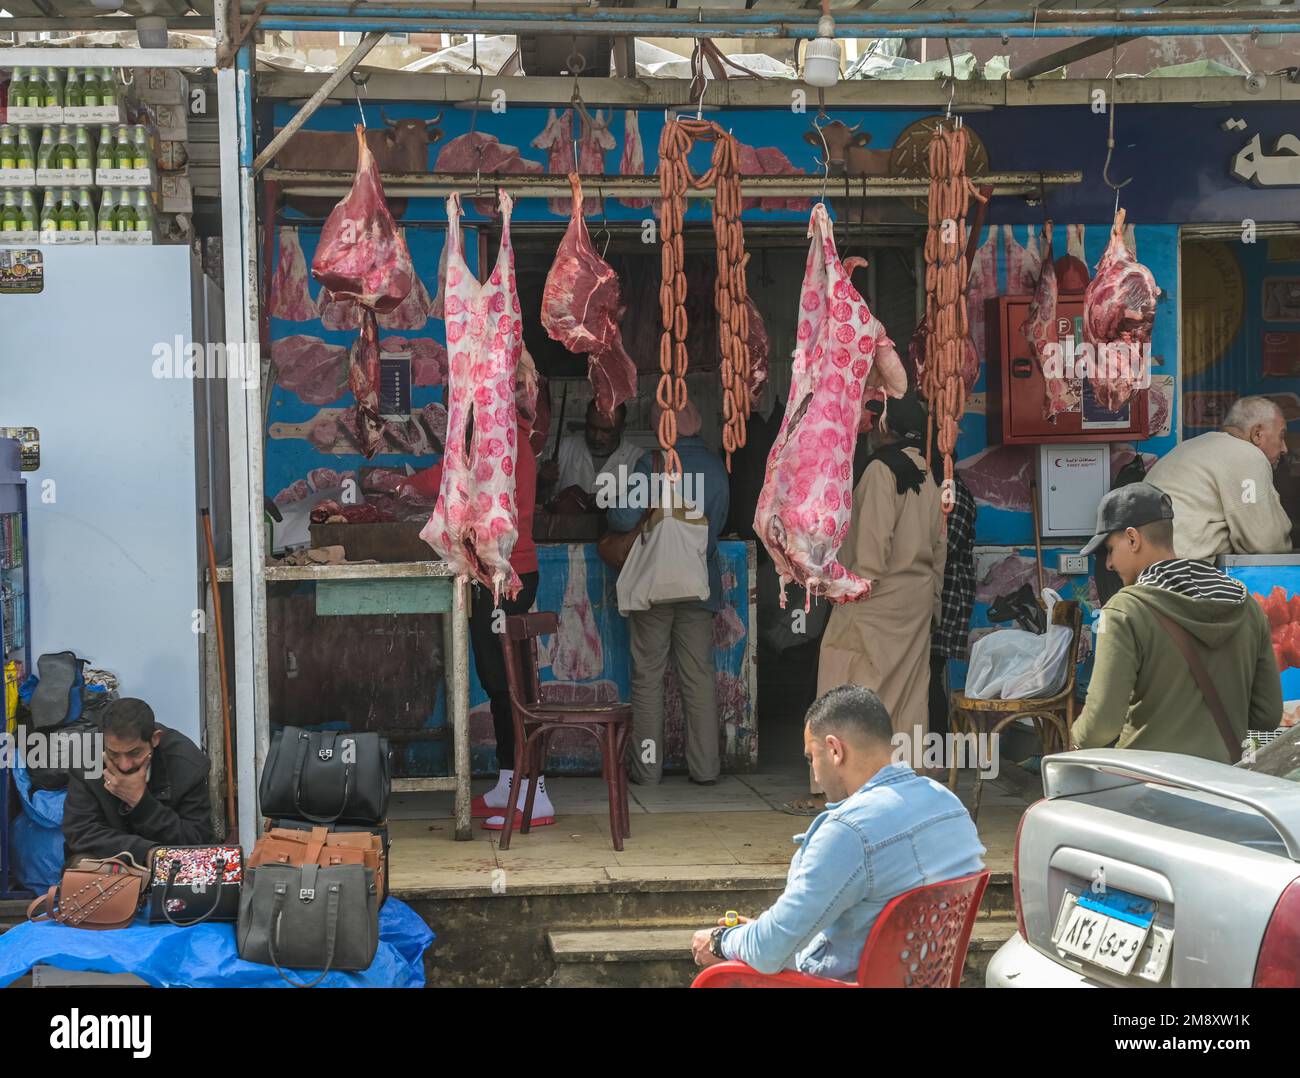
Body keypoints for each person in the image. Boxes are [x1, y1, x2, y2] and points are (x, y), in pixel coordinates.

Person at [690, 685, 985, 980]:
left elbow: (768, 952)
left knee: (721, 972)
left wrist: (720, 941)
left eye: (811, 758)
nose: (814, 774)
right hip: (920, 978)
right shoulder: (949, 806)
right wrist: (764, 933)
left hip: (845, 981)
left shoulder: (849, 831)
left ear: (834, 750)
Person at [403, 355, 549, 827]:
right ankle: (511, 783)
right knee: (497, 682)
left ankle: (536, 792)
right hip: (493, 576)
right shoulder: (505, 440)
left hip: (507, 578)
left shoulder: (503, 444)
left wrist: (403, 485)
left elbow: (454, 481)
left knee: (512, 686)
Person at [796, 393, 944, 811]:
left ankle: (842, 787)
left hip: (875, 597)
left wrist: (845, 582)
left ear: (884, 427)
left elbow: (872, 552)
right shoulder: (926, 470)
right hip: (914, 600)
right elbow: (939, 546)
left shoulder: (882, 470)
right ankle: (906, 781)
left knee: (847, 684)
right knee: (908, 692)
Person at [1072, 482, 1281, 761]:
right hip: (1227, 783)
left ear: (1133, 539)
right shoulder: (1247, 606)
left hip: (1148, 786)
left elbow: (1101, 726)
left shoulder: (1125, 610)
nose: (1108, 564)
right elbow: (1267, 715)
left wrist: (1074, 738)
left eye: (1110, 549)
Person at [606, 400, 729, 785]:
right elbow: (720, 525)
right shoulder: (716, 467)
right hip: (698, 584)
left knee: (648, 676)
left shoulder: (652, 465)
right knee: (699, 676)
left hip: (654, 587)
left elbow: (621, 517)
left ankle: (648, 768)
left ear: (662, 429)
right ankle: (707, 769)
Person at [63, 698, 213, 865]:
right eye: (113, 754)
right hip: (111, 861)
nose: (124, 765)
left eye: (134, 753)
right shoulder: (86, 761)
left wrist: (142, 803)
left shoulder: (187, 764)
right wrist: (144, 852)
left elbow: (199, 841)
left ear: (155, 739)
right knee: (82, 863)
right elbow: (80, 831)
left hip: (170, 865)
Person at [1144, 396, 1292, 560]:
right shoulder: (1246, 455)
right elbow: (1267, 545)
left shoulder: (1192, 446)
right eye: (1281, 436)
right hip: (1179, 571)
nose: (1285, 448)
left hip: (1149, 565)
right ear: (1257, 434)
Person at [930, 464, 977, 740]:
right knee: (928, 670)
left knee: (930, 669)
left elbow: (949, 545)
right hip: (940, 586)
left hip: (948, 588)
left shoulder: (955, 493)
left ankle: (937, 745)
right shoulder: (941, 491)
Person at [540, 400, 645, 509]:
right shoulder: (562, 449)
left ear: (622, 428)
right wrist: (541, 482)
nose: (597, 437)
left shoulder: (638, 460)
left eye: (606, 431)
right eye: (592, 427)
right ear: (586, 421)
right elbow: (536, 500)